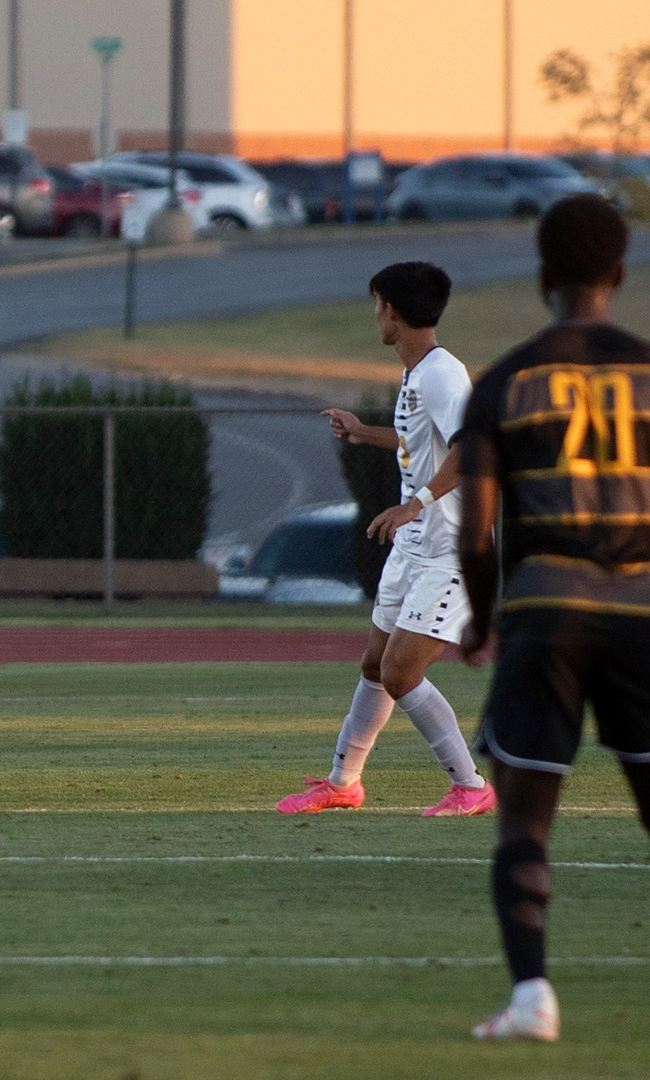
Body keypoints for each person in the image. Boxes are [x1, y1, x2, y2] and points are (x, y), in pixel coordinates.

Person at [455, 194, 650, 1042]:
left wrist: (479, 618)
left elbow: (476, 531)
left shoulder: (503, 382)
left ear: (541, 276)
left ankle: (533, 998)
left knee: (526, 818)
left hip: (545, 613)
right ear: (619, 272)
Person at [276, 262, 496, 816]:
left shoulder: (444, 373)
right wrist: (363, 433)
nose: (375, 315)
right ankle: (343, 784)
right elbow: (420, 441)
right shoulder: (418, 372)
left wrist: (414, 503)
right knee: (376, 666)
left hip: (449, 552)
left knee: (401, 672)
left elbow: (472, 450)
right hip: (414, 546)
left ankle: (471, 787)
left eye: (377, 304)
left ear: (391, 311)